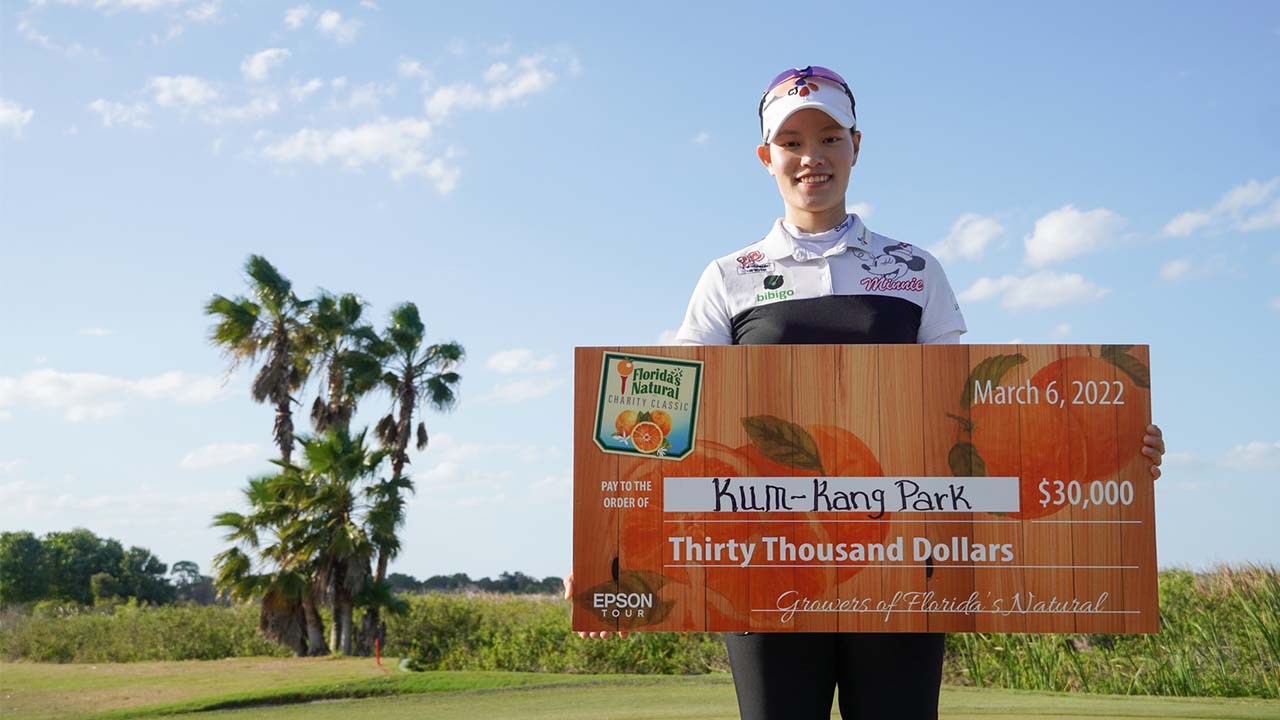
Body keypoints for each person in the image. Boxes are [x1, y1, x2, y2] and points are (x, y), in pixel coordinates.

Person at [567, 65, 1166, 720]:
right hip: (761, 563)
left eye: (828, 137)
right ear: (767, 157)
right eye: (792, 142)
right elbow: (669, 425)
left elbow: (965, 419)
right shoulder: (728, 279)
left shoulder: (914, 270)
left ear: (856, 145)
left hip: (902, 565)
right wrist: (607, 553)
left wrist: (1115, 447)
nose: (811, 157)